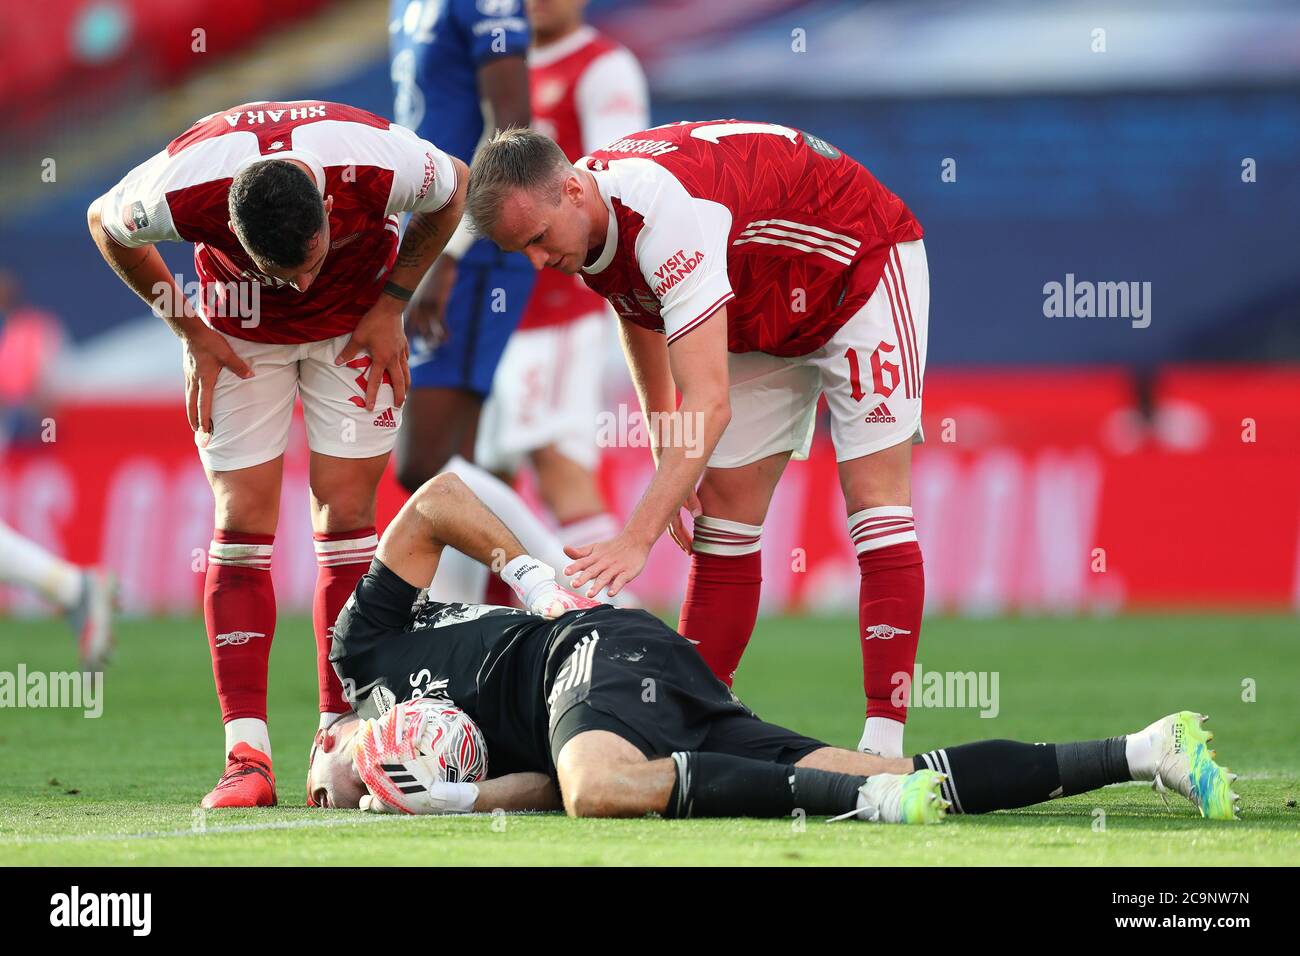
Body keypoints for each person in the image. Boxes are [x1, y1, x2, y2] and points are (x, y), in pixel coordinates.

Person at [306, 473, 1240, 824]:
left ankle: (863, 806)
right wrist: (459, 800)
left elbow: (435, 501)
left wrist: (530, 577)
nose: (334, 793)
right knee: (889, 773)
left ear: (332, 734)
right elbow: (550, 786)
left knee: (602, 789)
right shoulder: (443, 772)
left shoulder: (364, 651)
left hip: (586, 647)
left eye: (330, 781)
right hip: (628, 703)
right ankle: (1143, 750)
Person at [466, 121, 928, 757]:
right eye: (522, 251)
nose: (538, 262)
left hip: (858, 269)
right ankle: (691, 734)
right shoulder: (588, 217)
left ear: (573, 189)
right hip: (759, 301)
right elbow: (638, 309)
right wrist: (667, 449)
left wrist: (638, 536)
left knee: (875, 506)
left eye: (539, 240)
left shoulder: (665, 213)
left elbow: (709, 405)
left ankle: (882, 745)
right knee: (725, 521)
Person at [87, 99, 468, 808]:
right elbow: (103, 222)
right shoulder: (185, 183)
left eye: (311, 261)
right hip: (239, 338)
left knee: (347, 513)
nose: (300, 285)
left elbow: (456, 186)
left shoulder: (373, 160)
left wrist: (393, 304)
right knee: (241, 520)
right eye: (282, 272)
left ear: (329, 209)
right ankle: (247, 756)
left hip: (355, 327)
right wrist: (187, 329)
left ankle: (340, 734)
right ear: (231, 228)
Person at [475, 0, 649, 555]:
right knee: (482, 479)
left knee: (555, 462)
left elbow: (618, 183)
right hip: (489, 305)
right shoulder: (492, 62)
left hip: (558, 308)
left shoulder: (602, 65)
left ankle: (610, 603)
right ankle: (488, 611)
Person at [388, 0, 536, 491]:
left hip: (470, 253)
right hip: (426, 241)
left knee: (428, 466)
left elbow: (510, 128)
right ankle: (513, 535)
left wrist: (449, 250)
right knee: (450, 465)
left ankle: (527, 543)